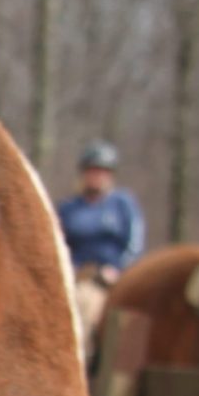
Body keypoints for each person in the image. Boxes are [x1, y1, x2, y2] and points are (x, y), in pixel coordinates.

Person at [55, 139, 145, 362]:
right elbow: (59, 247)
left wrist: (118, 270)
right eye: (92, 171)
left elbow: (134, 244)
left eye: (102, 171)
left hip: (113, 278)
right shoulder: (69, 209)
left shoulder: (122, 204)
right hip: (78, 277)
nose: (96, 176)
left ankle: (87, 360)